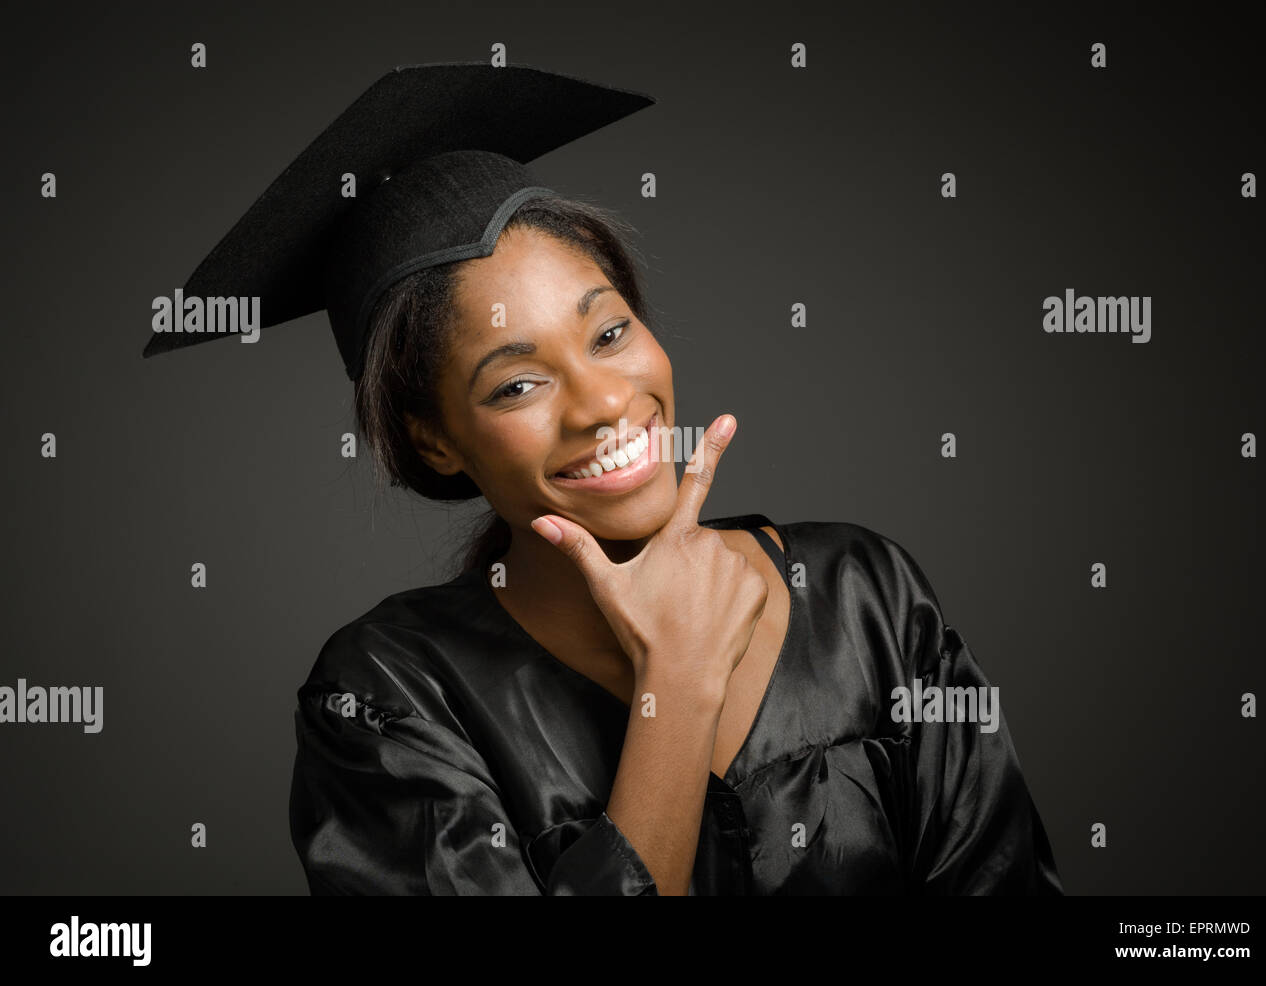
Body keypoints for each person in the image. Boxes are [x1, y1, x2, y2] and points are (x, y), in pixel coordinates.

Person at [144, 62, 1062, 895]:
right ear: (435, 443)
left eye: (610, 332)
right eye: (517, 383)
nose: (601, 404)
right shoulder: (391, 696)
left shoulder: (863, 597)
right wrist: (679, 681)